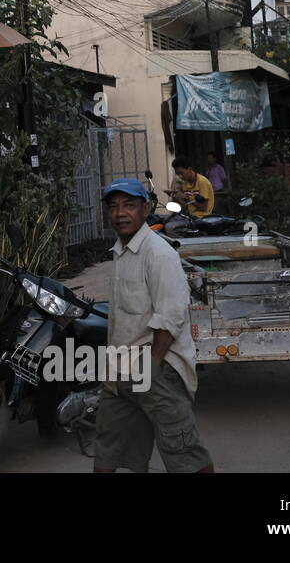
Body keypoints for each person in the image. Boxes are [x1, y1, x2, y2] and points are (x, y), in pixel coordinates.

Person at [95, 178, 214, 473]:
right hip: (121, 369)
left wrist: (154, 363)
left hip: (156, 368)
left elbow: (171, 315)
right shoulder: (121, 251)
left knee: (182, 449)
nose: (120, 213)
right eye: (114, 207)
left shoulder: (159, 254)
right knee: (111, 448)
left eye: (129, 206)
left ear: (145, 209)